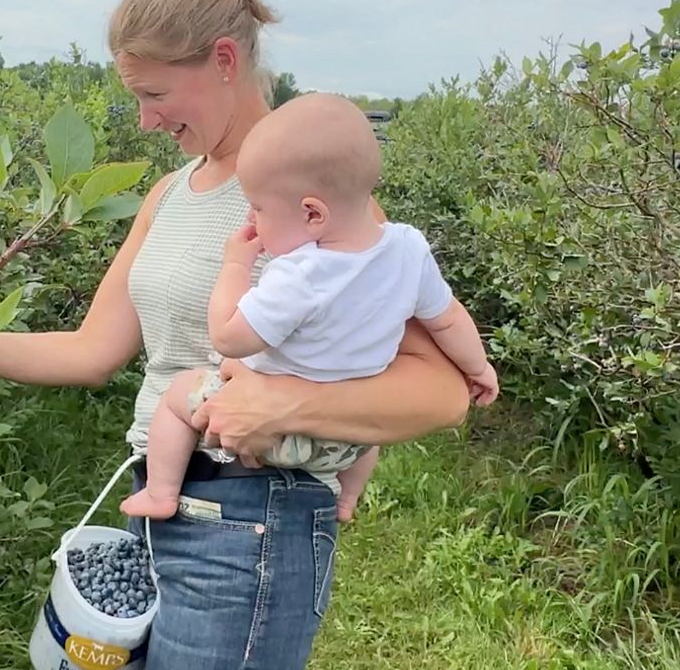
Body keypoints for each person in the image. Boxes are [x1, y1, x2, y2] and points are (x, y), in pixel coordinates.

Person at [0, 0, 471, 670]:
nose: (145, 119)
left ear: (224, 59)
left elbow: (442, 390)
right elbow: (94, 347)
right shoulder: (169, 194)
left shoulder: (312, 202)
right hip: (162, 502)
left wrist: (282, 403)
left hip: (250, 513)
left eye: (155, 92)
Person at [119, 92, 498, 525]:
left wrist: (236, 265)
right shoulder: (409, 249)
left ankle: (160, 492)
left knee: (175, 398)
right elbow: (448, 318)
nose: (252, 220)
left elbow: (229, 335)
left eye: (259, 208)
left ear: (312, 214)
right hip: (346, 440)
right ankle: (345, 500)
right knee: (370, 435)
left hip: (269, 432)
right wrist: (479, 368)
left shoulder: (301, 273)